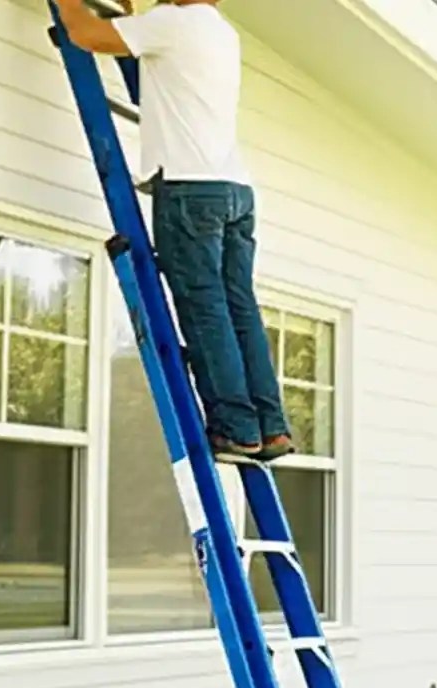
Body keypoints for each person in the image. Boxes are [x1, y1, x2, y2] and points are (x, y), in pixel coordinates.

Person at [56, 0, 294, 461]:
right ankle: (271, 426)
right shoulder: (221, 32)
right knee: (238, 307)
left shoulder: (172, 24)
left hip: (192, 191)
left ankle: (236, 426)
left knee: (205, 307)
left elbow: (87, 34)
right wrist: (129, 12)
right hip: (235, 190)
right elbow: (146, 56)